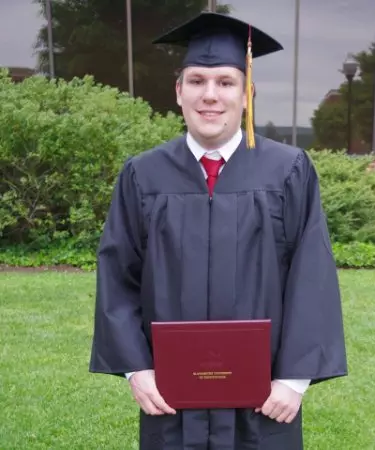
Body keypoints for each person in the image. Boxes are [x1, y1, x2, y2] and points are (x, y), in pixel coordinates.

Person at [89, 11, 347, 450]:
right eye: (197, 81)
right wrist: (137, 369)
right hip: (171, 399)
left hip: (263, 400)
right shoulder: (143, 175)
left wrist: (293, 379)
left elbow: (312, 274)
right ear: (178, 91)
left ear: (247, 94)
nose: (210, 95)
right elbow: (118, 273)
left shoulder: (288, 171)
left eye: (226, 82)